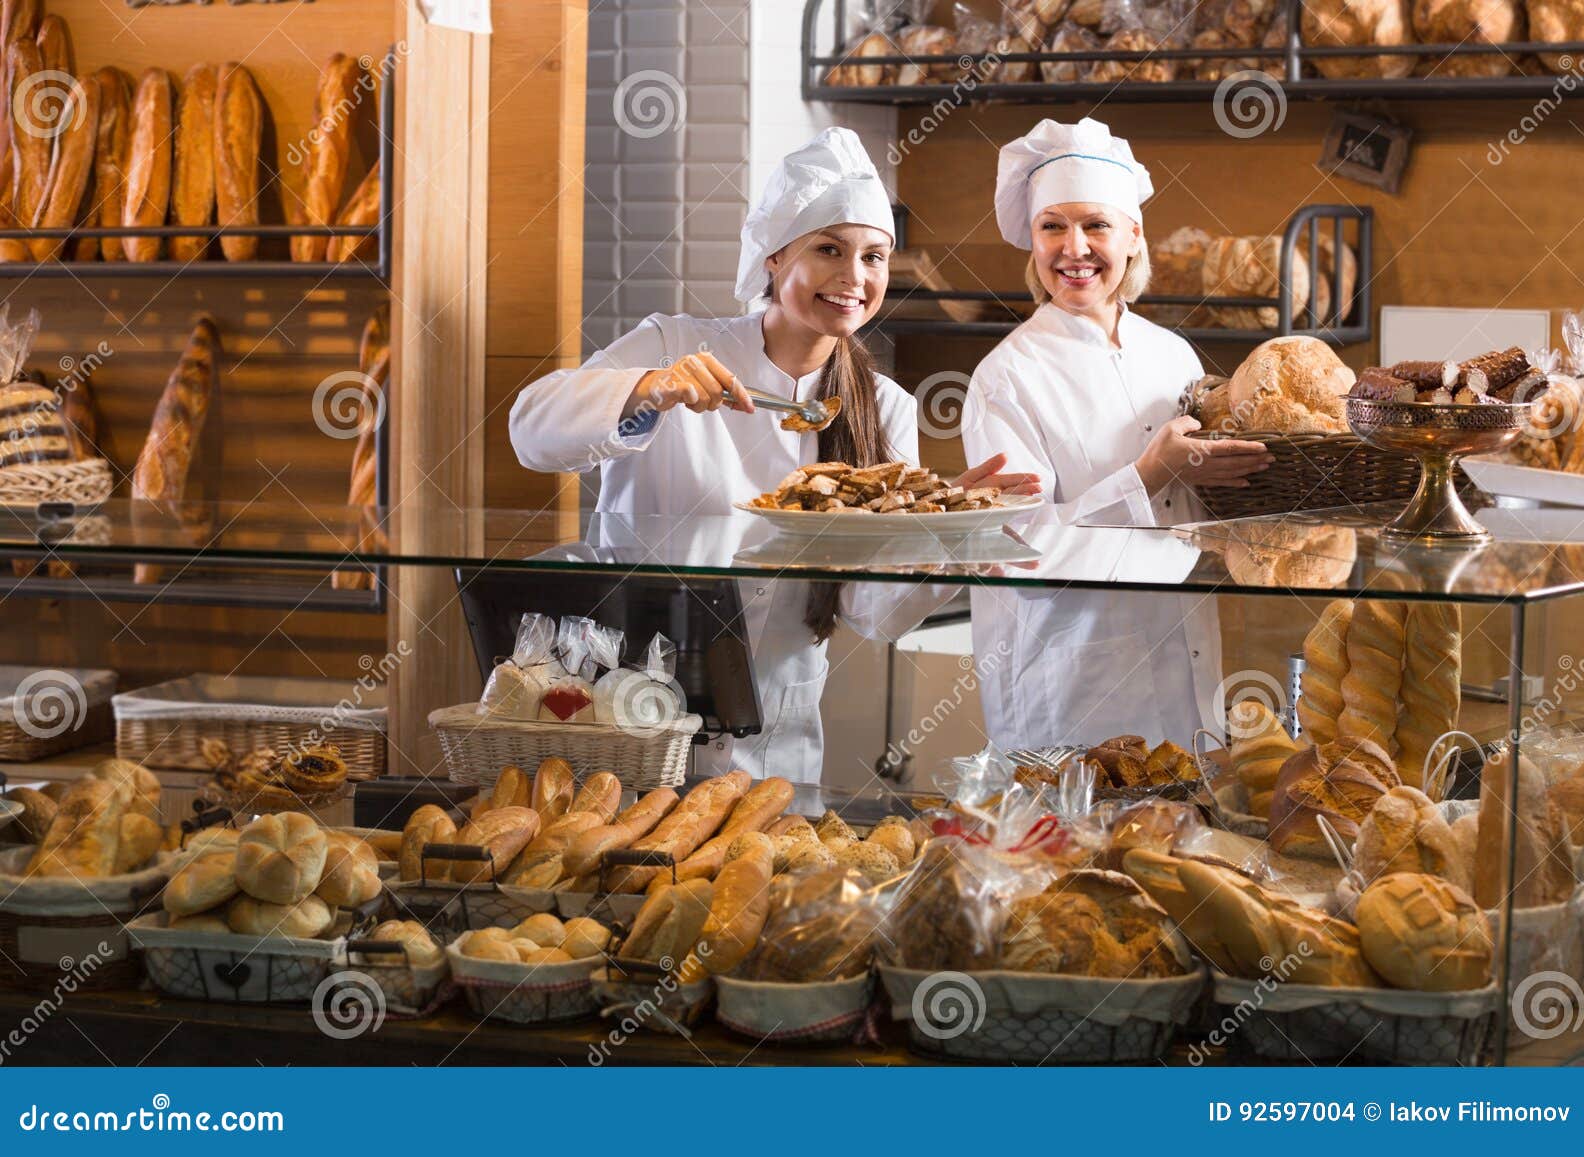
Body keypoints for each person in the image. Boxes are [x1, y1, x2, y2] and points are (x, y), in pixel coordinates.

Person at [510, 127, 1036, 782]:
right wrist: (648, 388)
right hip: (630, 712)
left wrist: (946, 541)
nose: (854, 277)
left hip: (774, 741)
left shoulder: (886, 406)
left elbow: (870, 611)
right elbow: (530, 431)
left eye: (874, 257)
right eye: (829, 249)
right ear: (774, 257)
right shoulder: (676, 345)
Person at [962, 117, 1271, 749]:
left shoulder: (1173, 356)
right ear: (1033, 241)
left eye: (1095, 224)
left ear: (1133, 235)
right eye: (1053, 226)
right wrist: (1149, 474)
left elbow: (1195, 520)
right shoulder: (1007, 378)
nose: (1073, 248)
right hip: (1070, 678)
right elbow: (1021, 554)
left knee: (1181, 836)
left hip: (1183, 656)